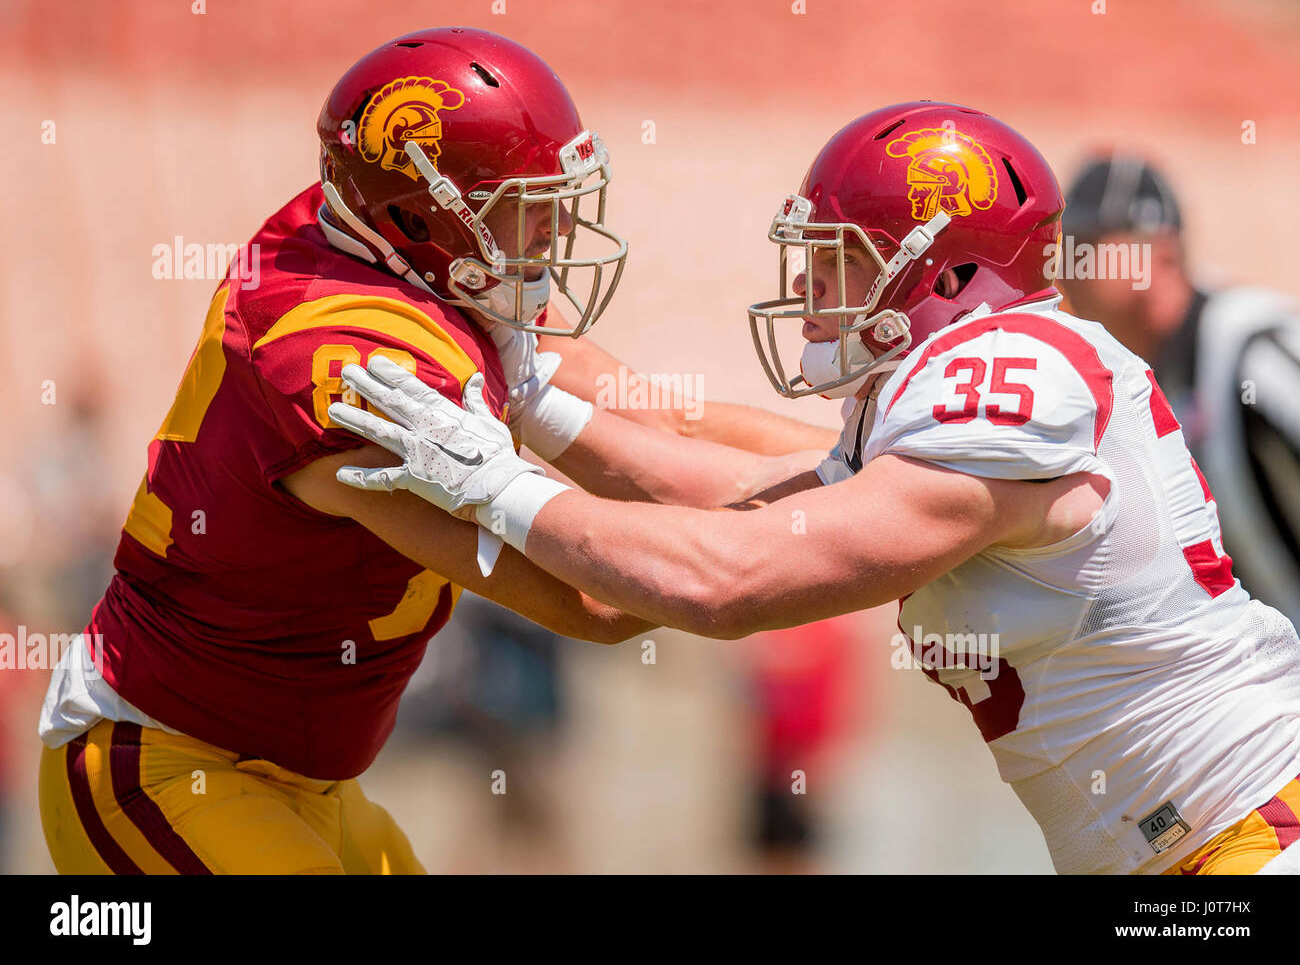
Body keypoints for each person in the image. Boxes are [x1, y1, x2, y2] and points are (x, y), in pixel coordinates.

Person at [329, 102, 1300, 876]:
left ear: (944, 269)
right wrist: (530, 401)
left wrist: (496, 488)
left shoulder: (1007, 377)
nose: (813, 292)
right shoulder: (954, 384)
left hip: (1248, 837)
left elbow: (731, 580)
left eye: (840, 261)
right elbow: (747, 488)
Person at [36, 27, 826, 875]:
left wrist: (902, 465)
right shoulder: (353, 372)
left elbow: (667, 425)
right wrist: (866, 545)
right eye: (526, 205)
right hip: (165, 766)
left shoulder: (403, 255)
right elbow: (596, 603)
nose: (556, 230)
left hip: (313, 784)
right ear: (420, 210)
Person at [1059, 152, 1300, 623]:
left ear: (1160, 252)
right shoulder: (1135, 369)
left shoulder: (1250, 345)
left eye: (1085, 247)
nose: (1066, 268)